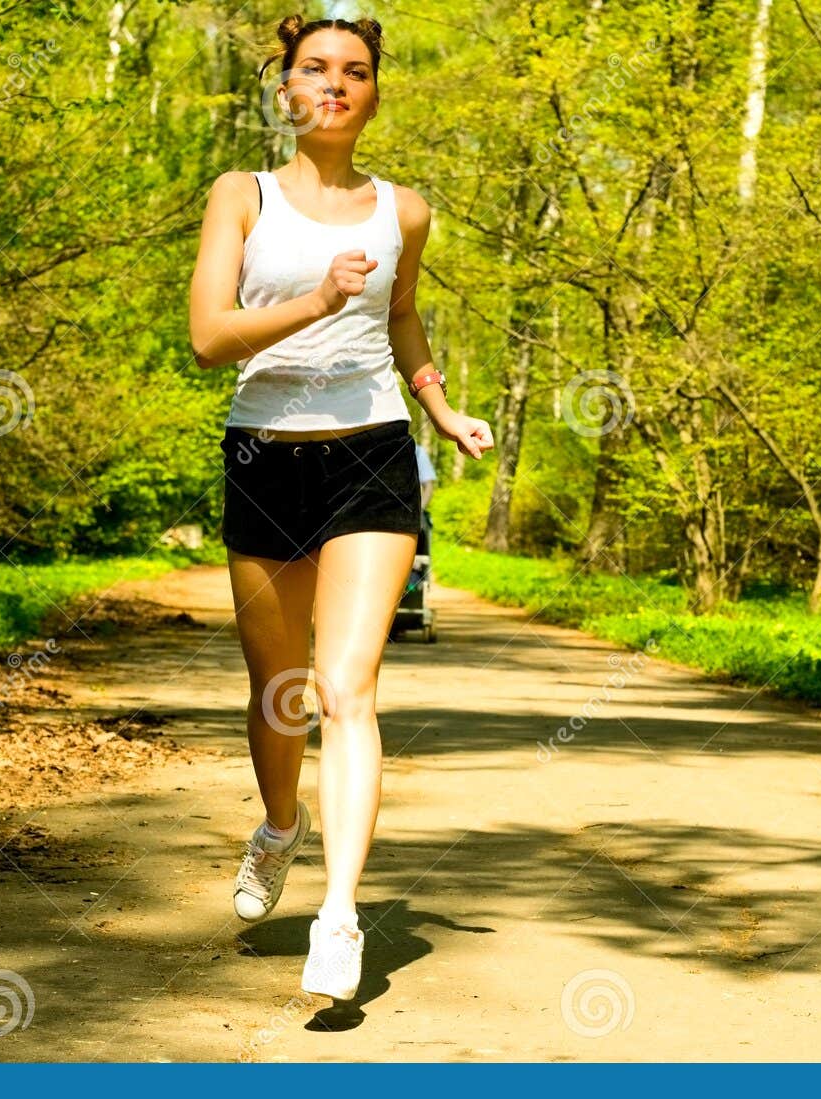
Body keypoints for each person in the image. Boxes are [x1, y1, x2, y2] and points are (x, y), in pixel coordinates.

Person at [187, 12, 493, 1002]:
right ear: (284, 89)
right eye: (313, 68)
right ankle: (281, 825)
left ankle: (340, 916)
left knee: (345, 688)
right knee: (279, 689)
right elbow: (208, 337)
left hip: (371, 453)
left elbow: (401, 318)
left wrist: (442, 411)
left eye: (353, 71)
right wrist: (314, 303)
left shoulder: (403, 212)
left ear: (372, 93)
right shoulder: (242, 196)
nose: (333, 84)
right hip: (266, 452)